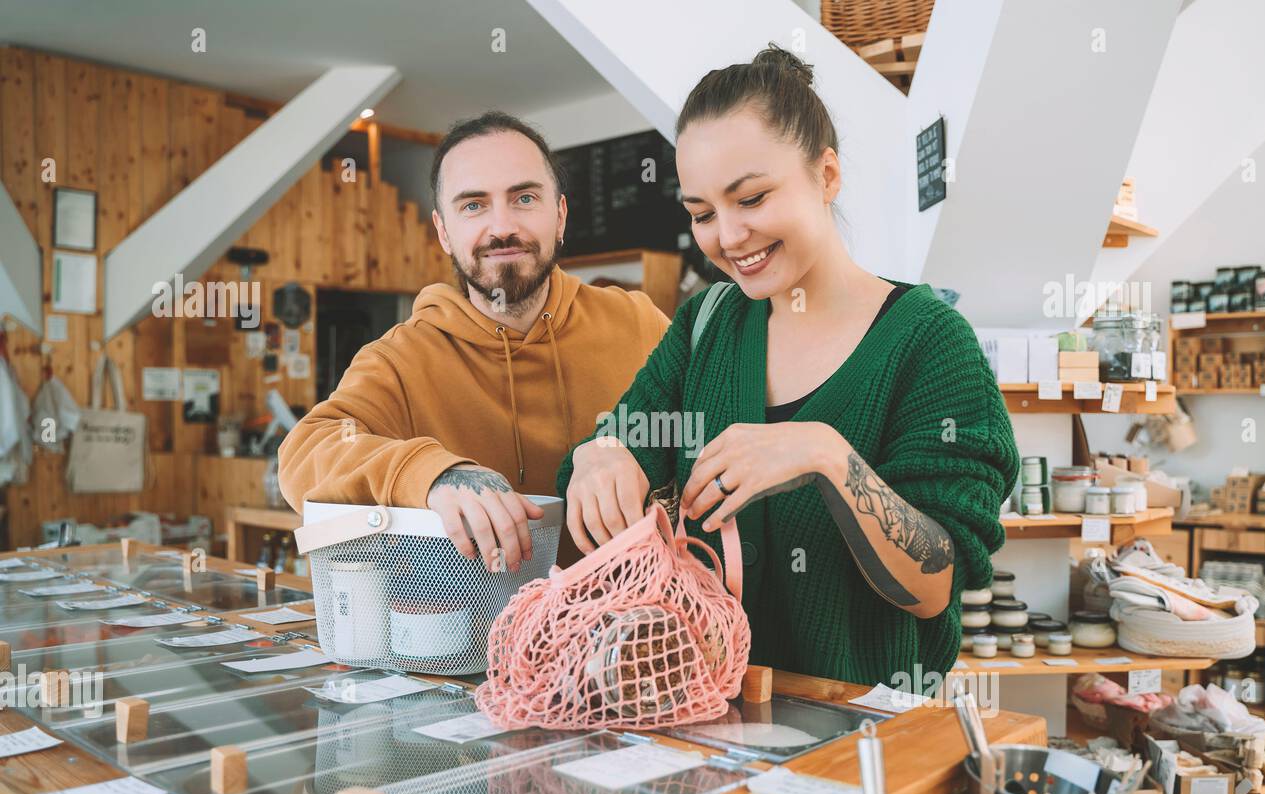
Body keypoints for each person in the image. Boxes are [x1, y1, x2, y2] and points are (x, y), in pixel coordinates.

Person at [557, 47, 1019, 686]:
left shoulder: (928, 343)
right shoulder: (706, 326)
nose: (728, 235)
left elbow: (934, 580)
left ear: (826, 175)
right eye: (701, 214)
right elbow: (630, 440)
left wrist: (827, 457)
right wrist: (600, 454)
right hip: (710, 722)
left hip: (864, 740)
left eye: (751, 198)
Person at [278, 112, 669, 570]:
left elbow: (706, 427)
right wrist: (433, 474)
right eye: (473, 205)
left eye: (524, 198)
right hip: (472, 635)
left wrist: (621, 445)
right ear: (444, 232)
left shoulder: (638, 321)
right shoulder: (402, 358)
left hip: (632, 629)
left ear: (560, 215)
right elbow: (305, 452)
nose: (502, 227)